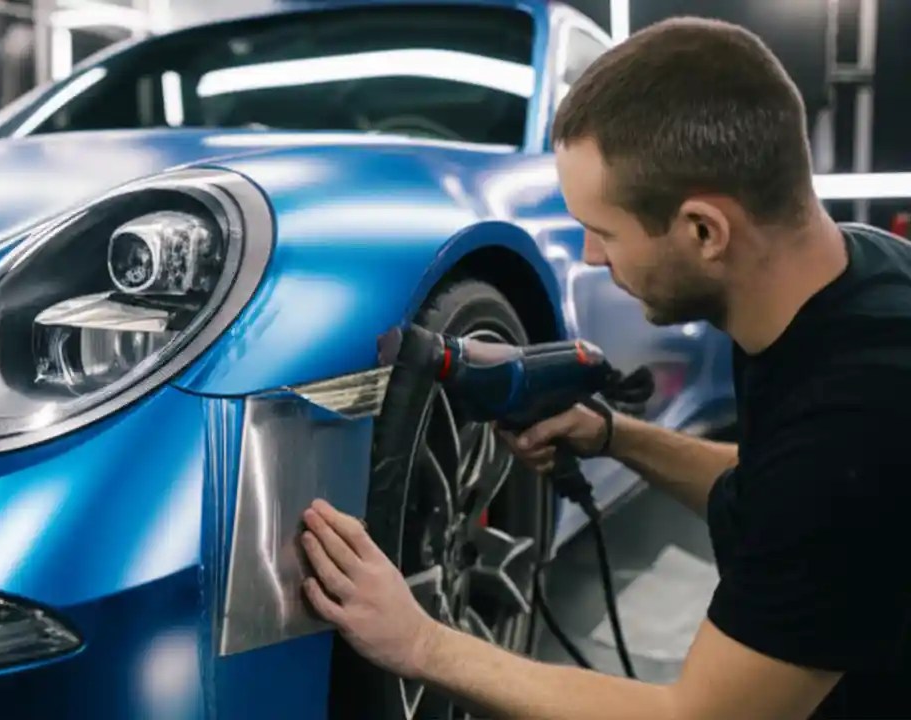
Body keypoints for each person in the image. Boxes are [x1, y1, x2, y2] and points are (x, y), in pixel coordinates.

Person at [299, 15, 911, 720]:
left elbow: (700, 717)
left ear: (704, 231)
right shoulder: (842, 283)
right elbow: (769, 491)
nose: (591, 255)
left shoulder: (855, 426)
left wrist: (418, 643)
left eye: (605, 229)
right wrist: (614, 434)